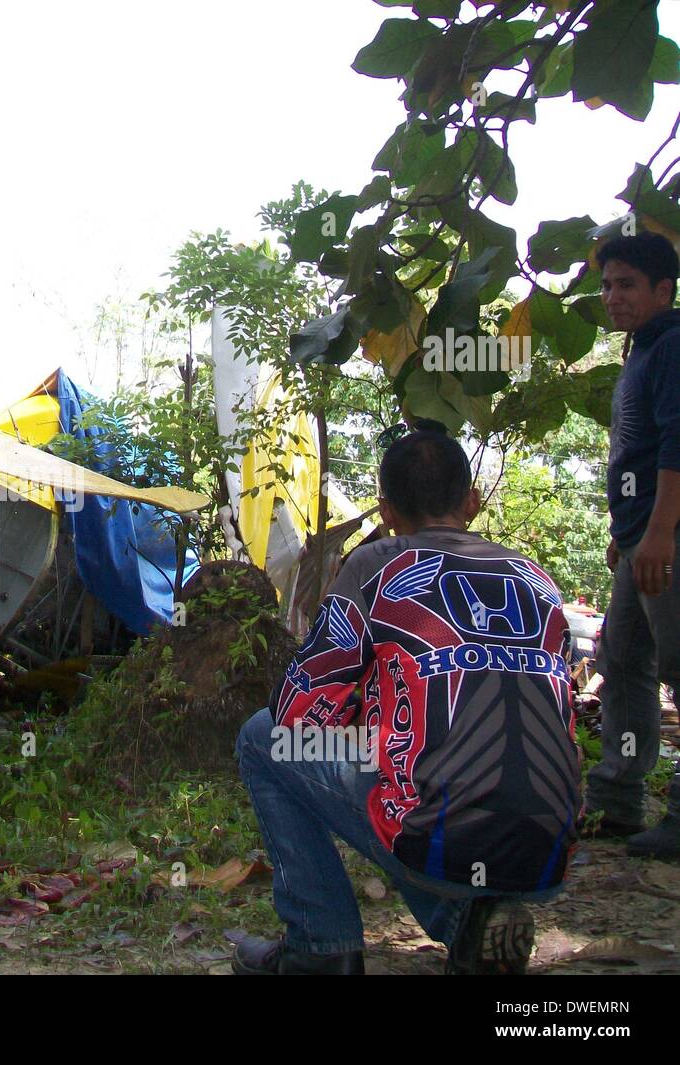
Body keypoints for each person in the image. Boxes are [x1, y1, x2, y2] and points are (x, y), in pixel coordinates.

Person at [233, 424, 579, 975]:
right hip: (546, 848)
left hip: (439, 826)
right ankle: (470, 925)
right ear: (471, 500)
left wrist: (368, 713)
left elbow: (298, 710)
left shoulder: (376, 566)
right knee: (416, 768)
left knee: (262, 738)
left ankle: (321, 947)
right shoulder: (535, 579)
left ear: (386, 511)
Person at [584, 231, 680, 858]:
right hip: (640, 536)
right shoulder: (643, 349)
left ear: (662, 291)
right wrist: (629, 536)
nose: (612, 296)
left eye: (626, 285)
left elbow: (678, 444)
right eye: (608, 284)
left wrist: (660, 533)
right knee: (621, 661)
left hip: (665, 538)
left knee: (678, 669)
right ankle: (617, 803)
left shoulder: (673, 346)